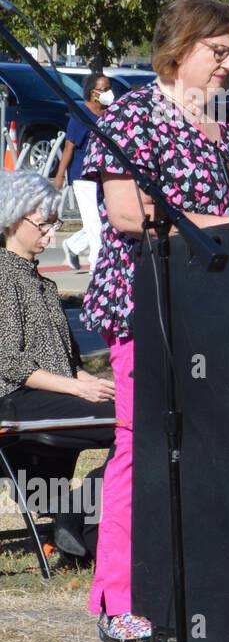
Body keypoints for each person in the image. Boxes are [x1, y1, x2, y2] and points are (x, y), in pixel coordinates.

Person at [81, 0, 229, 642]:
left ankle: (209, 584)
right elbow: (130, 214)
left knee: (218, 449)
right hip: (149, 309)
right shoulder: (133, 116)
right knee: (144, 448)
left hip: (224, 317)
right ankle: (119, 598)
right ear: (179, 49)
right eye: (216, 50)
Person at [0, 171, 116, 559]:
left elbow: (67, 361)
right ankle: (80, 512)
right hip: (16, 398)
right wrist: (77, 387)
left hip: (47, 392)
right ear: (13, 220)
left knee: (139, 416)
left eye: (54, 223)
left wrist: (90, 381)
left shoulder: (42, 284)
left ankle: (79, 509)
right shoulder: (3, 276)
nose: (51, 235)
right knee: (135, 424)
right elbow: (8, 360)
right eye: (44, 224)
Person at [53, 74, 114, 271]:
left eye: (109, 88)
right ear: (92, 93)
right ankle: (97, 269)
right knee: (95, 223)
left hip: (103, 175)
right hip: (83, 176)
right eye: (104, 89)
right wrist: (60, 176)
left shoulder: (108, 114)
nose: (108, 93)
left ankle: (73, 245)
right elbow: (69, 147)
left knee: (105, 221)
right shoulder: (81, 116)